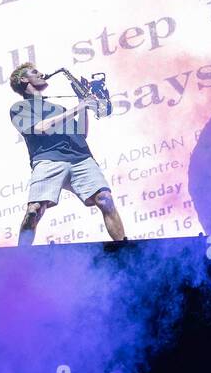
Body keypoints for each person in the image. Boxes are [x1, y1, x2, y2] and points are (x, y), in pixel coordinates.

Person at [7, 62, 125, 246]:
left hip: (81, 158)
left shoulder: (59, 108)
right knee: (34, 210)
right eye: (34, 72)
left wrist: (83, 105)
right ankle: (21, 257)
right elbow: (41, 128)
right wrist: (78, 108)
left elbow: (81, 134)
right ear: (23, 79)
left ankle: (126, 248)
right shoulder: (19, 107)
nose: (41, 73)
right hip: (47, 159)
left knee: (105, 199)